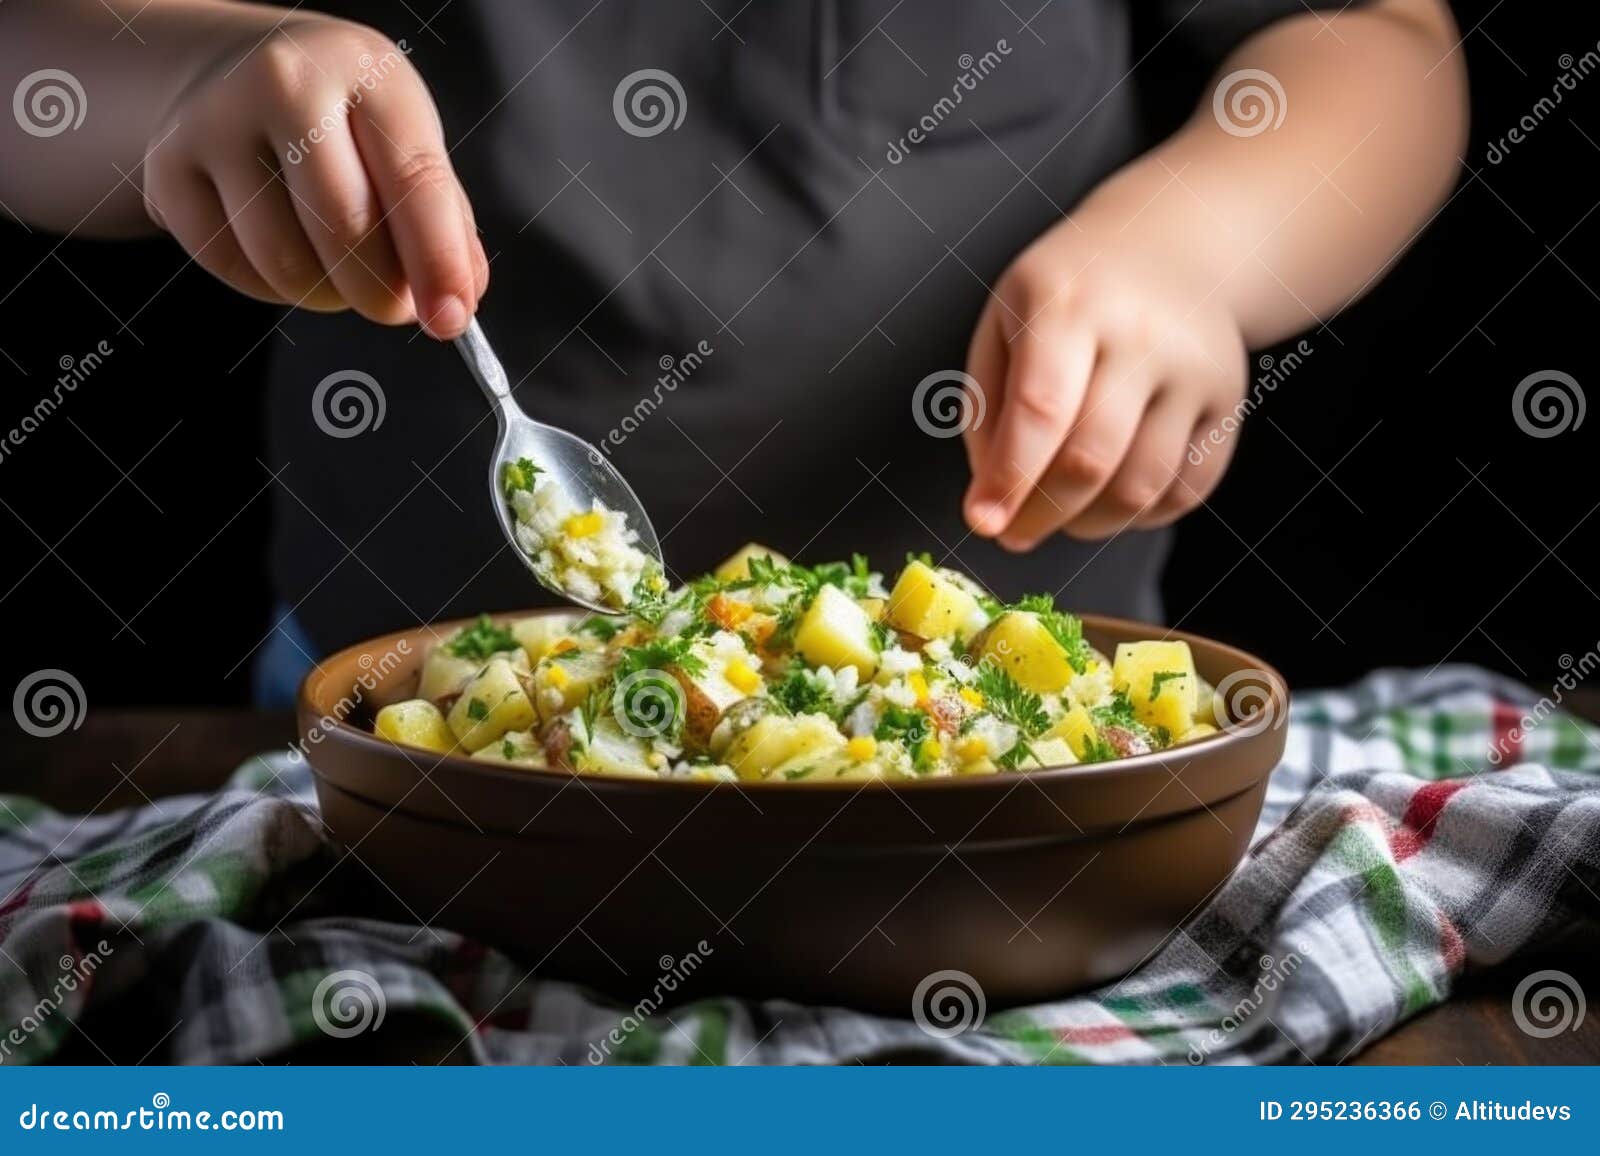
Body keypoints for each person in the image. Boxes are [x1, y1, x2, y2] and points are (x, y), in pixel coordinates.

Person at [1, 1, 1467, 705]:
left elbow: (1382, 43)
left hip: (1026, 748)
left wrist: (1197, 247)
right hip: (387, 730)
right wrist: (187, 74)